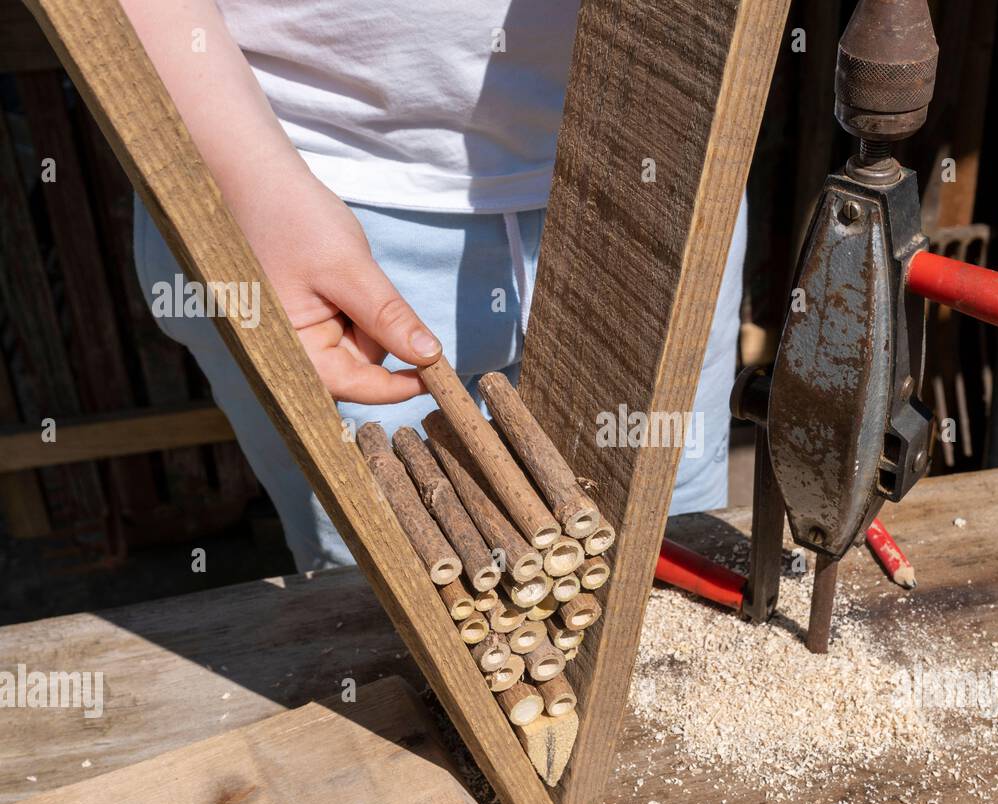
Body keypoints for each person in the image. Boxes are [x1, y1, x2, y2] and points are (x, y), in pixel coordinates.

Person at [123, 0, 745, 571]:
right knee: (406, 604)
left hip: (664, 169)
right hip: (306, 199)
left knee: (673, 555)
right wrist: (248, 180)